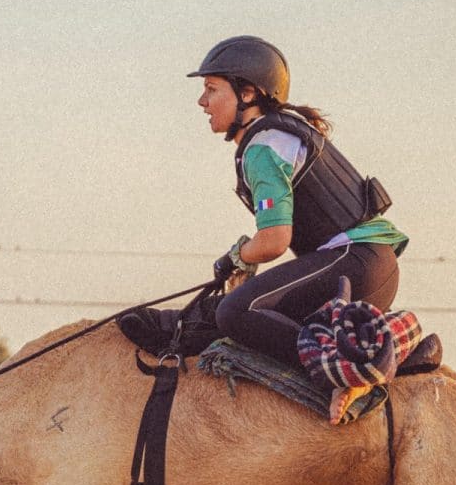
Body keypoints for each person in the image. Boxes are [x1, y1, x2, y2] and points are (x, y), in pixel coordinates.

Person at [117, 35, 409, 420]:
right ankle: (401, 349)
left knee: (236, 311)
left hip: (356, 264)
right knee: (249, 312)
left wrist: (235, 257)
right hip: (369, 269)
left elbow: (274, 240)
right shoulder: (280, 134)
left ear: (248, 93)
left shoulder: (263, 148)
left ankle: (345, 367)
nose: (202, 101)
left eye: (212, 89)